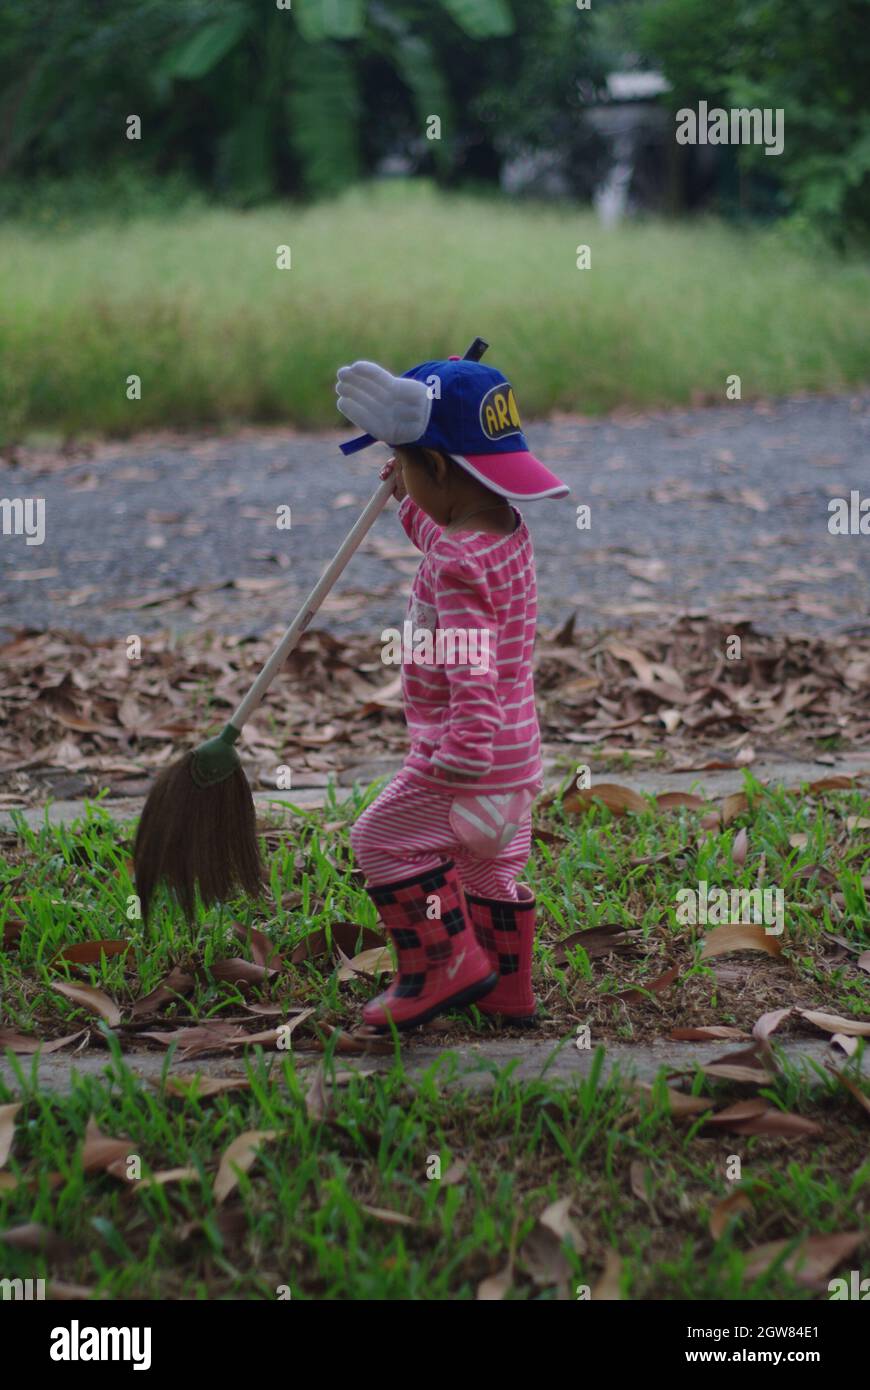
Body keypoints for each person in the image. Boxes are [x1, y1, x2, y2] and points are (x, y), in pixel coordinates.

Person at [335, 354, 569, 1031]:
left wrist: (456, 760)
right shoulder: (503, 535)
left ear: (436, 467)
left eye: (409, 466)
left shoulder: (455, 564)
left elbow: (469, 666)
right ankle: (505, 990)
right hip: (516, 766)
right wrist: (411, 497)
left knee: (378, 839)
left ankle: (442, 965)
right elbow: (446, 529)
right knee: (484, 870)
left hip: (469, 760)